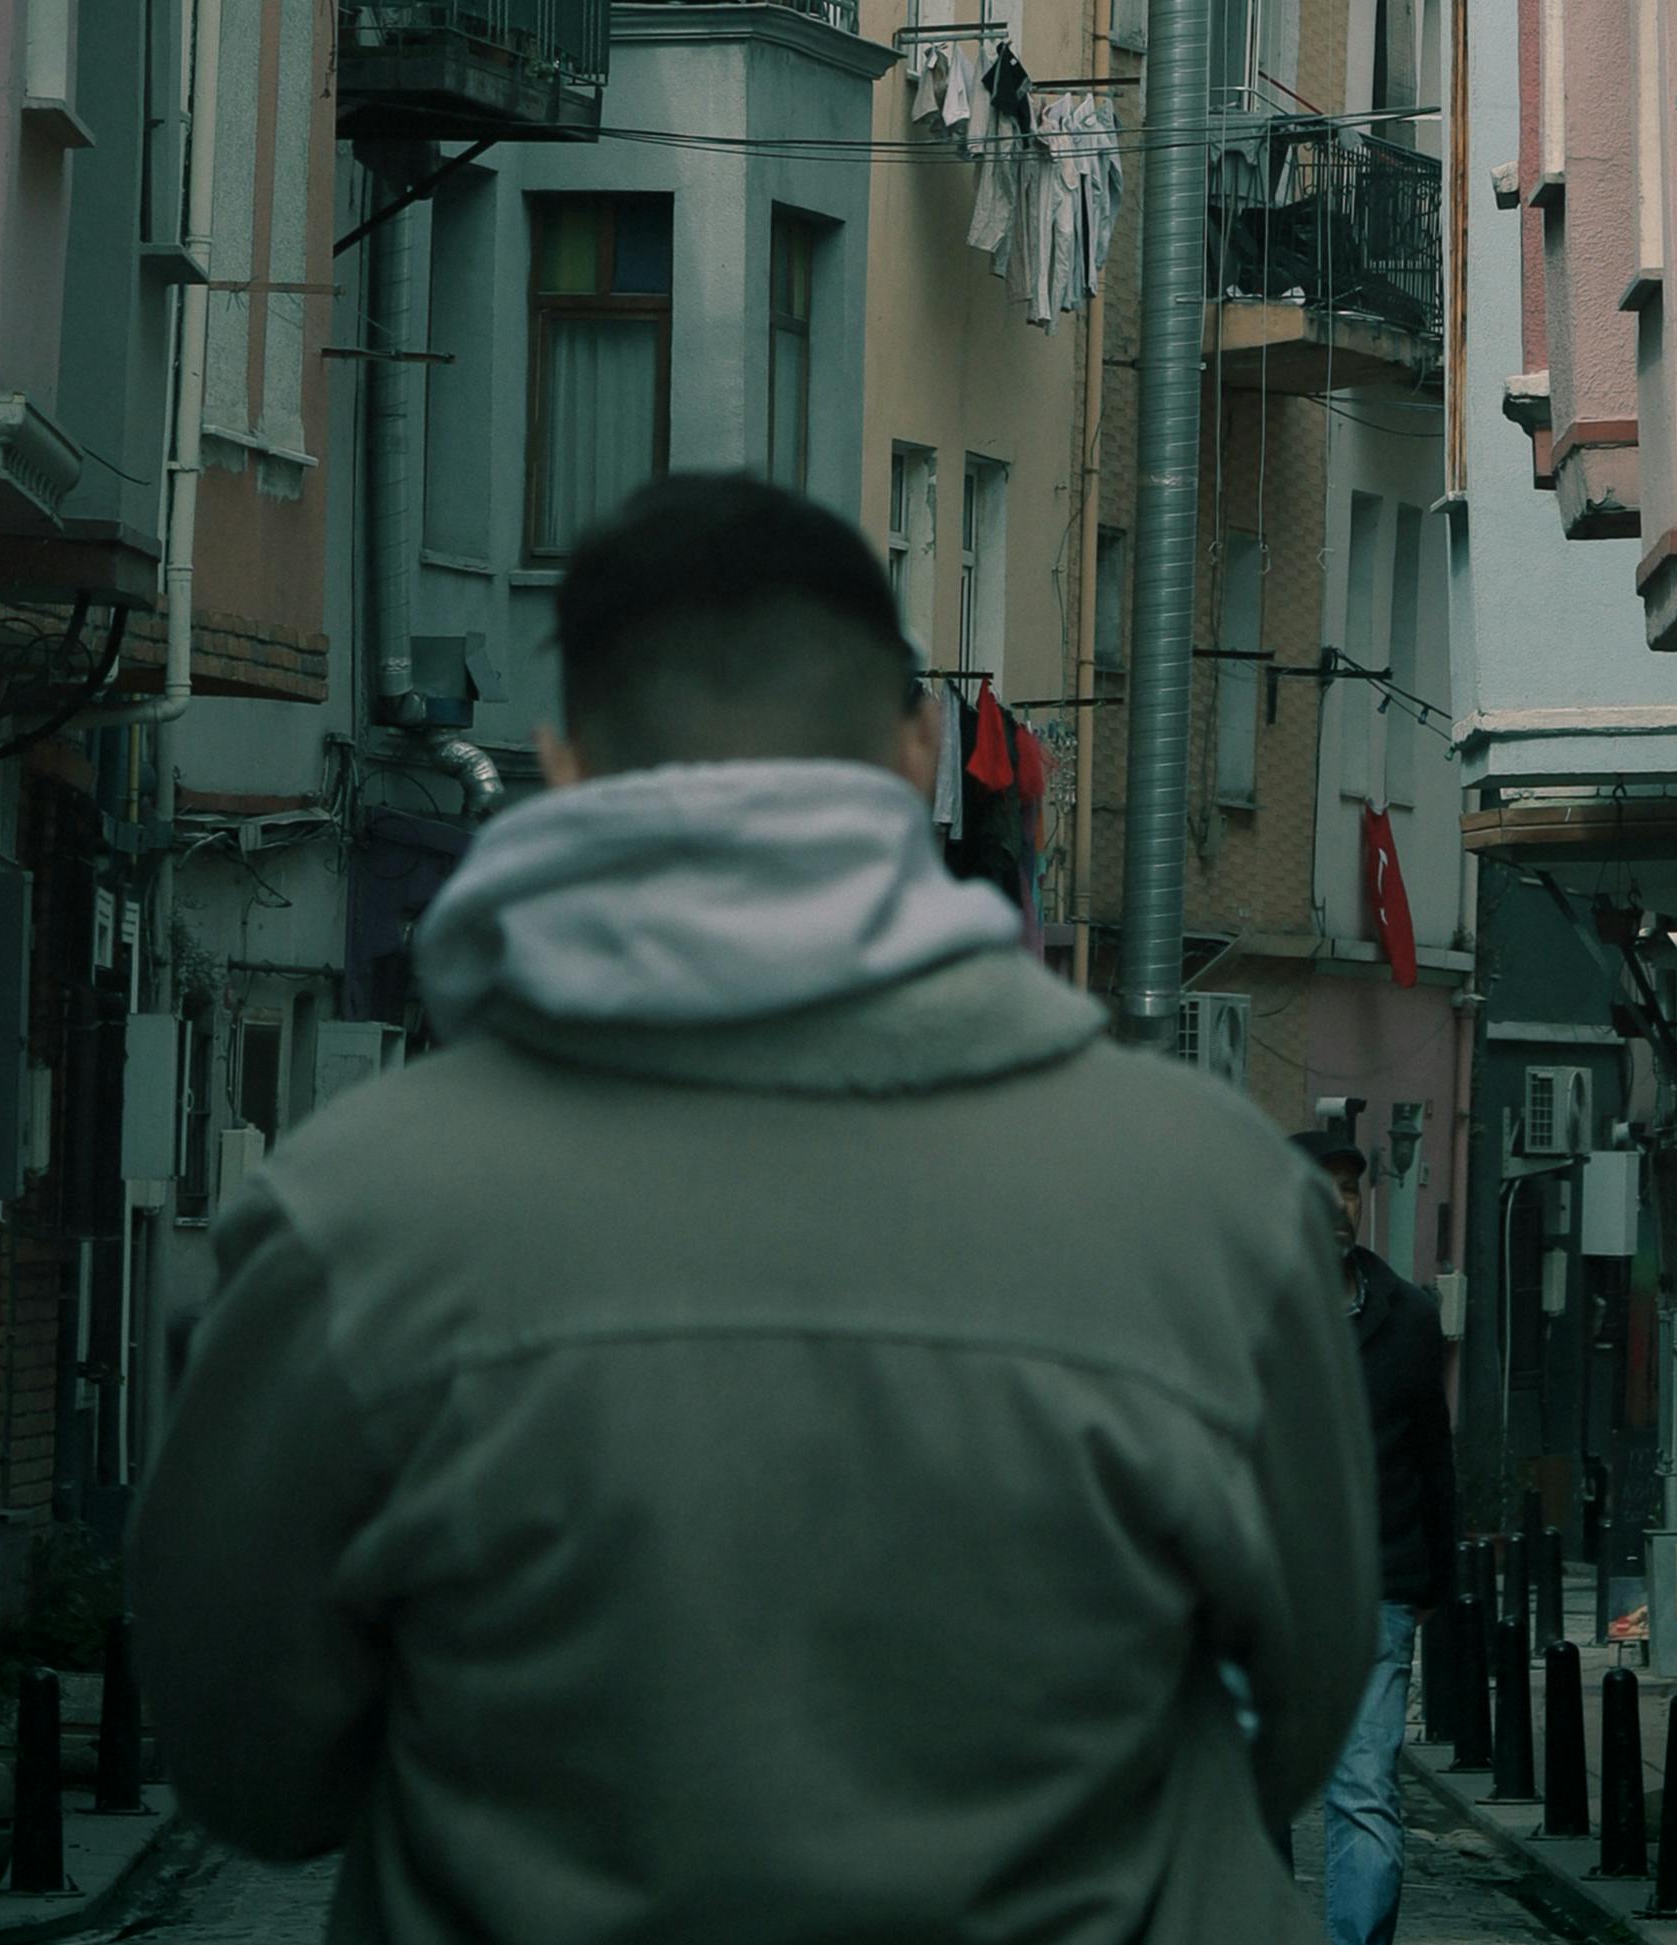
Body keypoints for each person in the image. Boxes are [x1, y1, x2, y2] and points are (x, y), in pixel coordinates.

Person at [135, 469, 1374, 1940]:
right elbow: (1297, 1719)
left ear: (569, 765)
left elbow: (250, 1768)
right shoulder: (1212, 1197)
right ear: (917, 748)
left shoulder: (354, 1219)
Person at [1290, 1120, 1459, 1945]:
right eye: (1318, 1185)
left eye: (1350, 1186)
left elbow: (1433, 1455)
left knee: (1363, 1792)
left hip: (1376, 1590)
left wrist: (1432, 1583)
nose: (1337, 1203)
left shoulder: (1407, 1317)